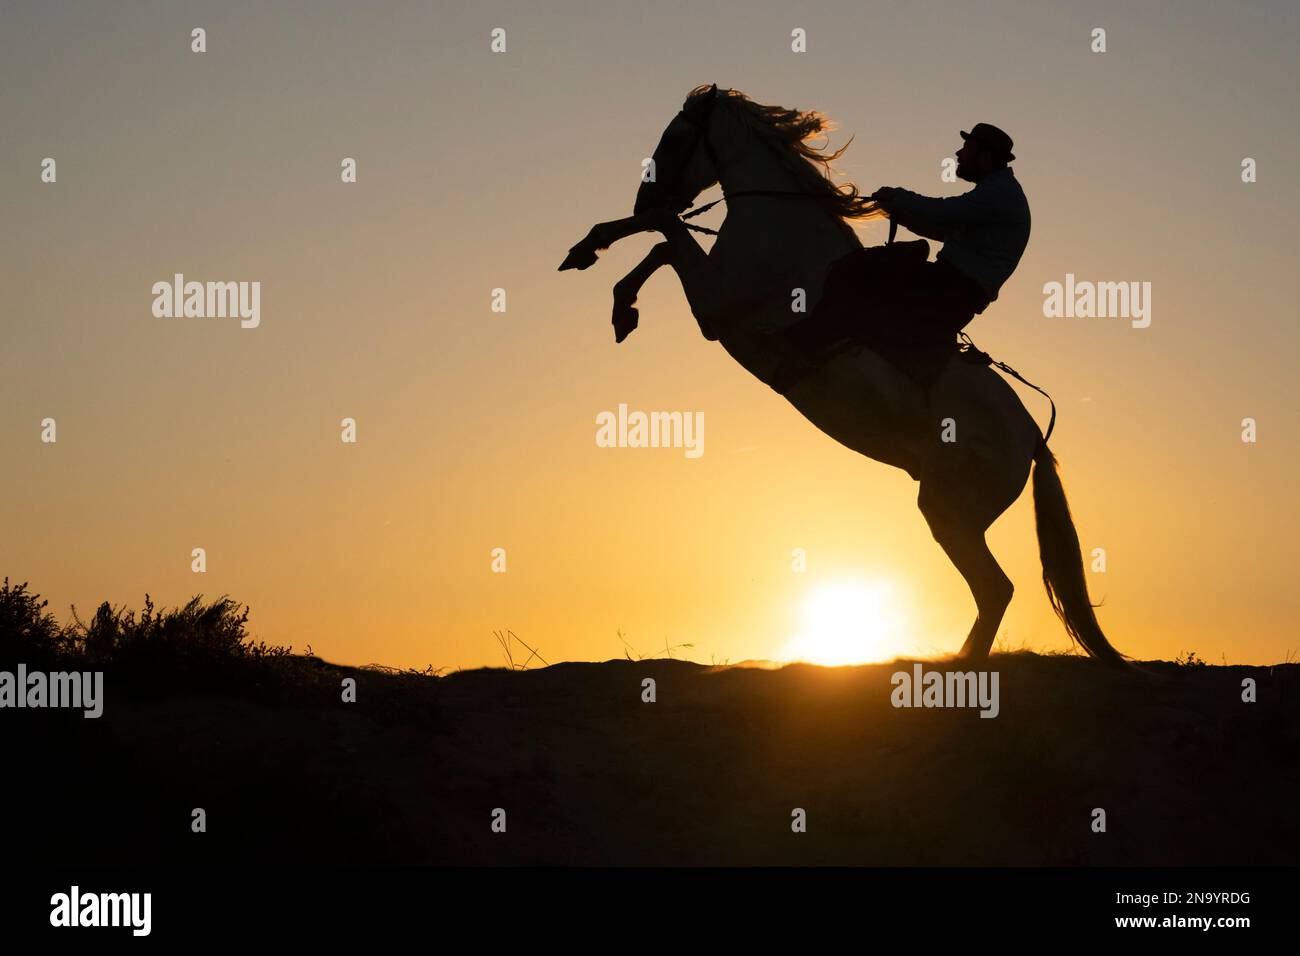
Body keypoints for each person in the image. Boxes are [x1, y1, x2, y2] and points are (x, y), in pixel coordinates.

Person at [769, 123, 1031, 392]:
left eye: (967, 148)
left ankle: (800, 347)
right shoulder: (997, 192)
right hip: (954, 288)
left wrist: (901, 197)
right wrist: (898, 211)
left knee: (857, 270)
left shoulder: (999, 194)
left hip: (951, 288)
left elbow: (943, 212)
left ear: (985, 156)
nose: (959, 153)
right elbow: (943, 229)